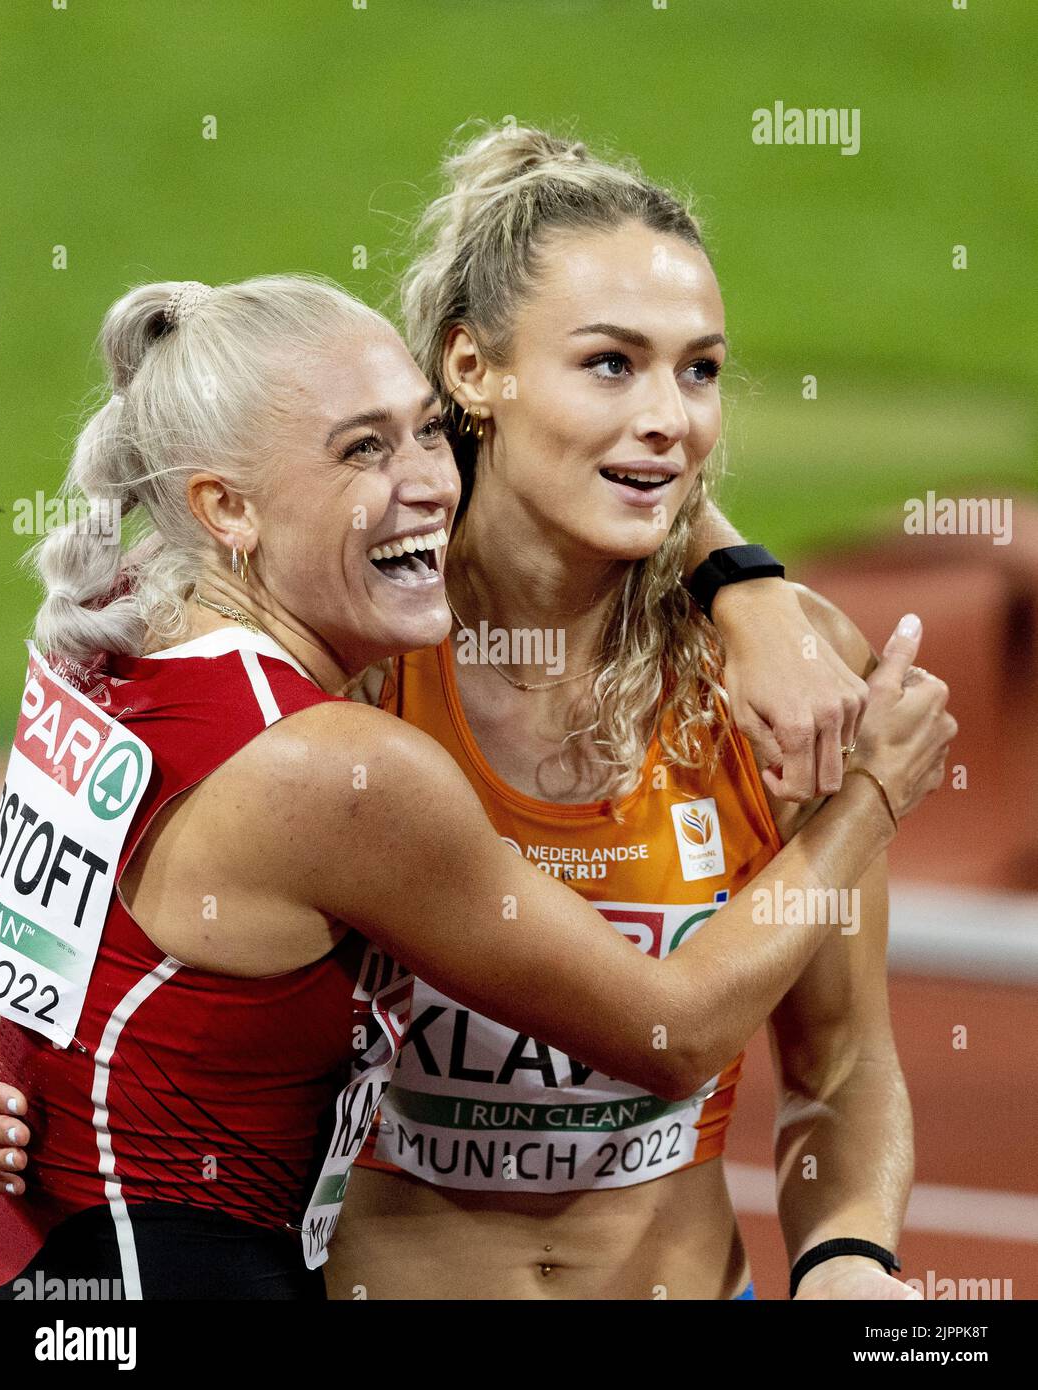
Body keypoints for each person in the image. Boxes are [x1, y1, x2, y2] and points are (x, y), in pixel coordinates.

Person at [0, 273, 952, 1301]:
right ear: (224, 506)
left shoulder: (108, 632)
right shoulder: (343, 770)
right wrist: (872, 795)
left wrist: (739, 579)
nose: (432, 482)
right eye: (363, 449)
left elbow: (43, 924)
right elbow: (673, 1034)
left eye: (425, 432)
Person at [329, 125, 949, 1301]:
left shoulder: (793, 675)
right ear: (474, 371)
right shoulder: (352, 658)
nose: (671, 416)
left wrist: (848, 1257)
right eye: (611, 363)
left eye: (700, 368)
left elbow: (842, 1065)